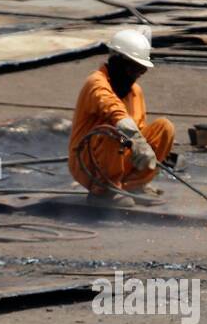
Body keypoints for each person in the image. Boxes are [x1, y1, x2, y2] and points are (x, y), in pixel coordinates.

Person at [68, 27, 175, 206]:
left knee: (165, 128)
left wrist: (142, 147)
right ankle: (103, 192)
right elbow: (115, 112)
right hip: (87, 163)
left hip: (118, 158)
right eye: (134, 69)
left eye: (141, 71)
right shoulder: (96, 83)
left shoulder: (134, 91)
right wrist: (136, 141)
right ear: (119, 62)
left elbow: (139, 129)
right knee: (112, 132)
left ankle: (133, 186)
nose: (136, 76)